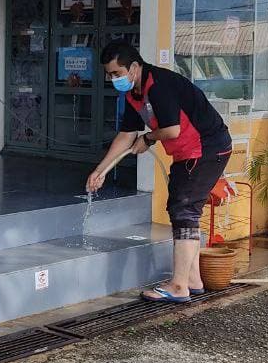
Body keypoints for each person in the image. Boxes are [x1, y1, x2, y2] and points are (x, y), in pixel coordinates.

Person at [86, 41, 232, 301]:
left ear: (134, 67)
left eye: (117, 73)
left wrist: (148, 138)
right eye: (109, 75)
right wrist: (101, 170)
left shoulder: (159, 85)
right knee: (183, 209)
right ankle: (192, 280)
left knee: (184, 210)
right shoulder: (133, 94)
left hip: (206, 148)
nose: (113, 79)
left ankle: (178, 286)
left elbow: (172, 130)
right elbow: (126, 135)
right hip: (188, 153)